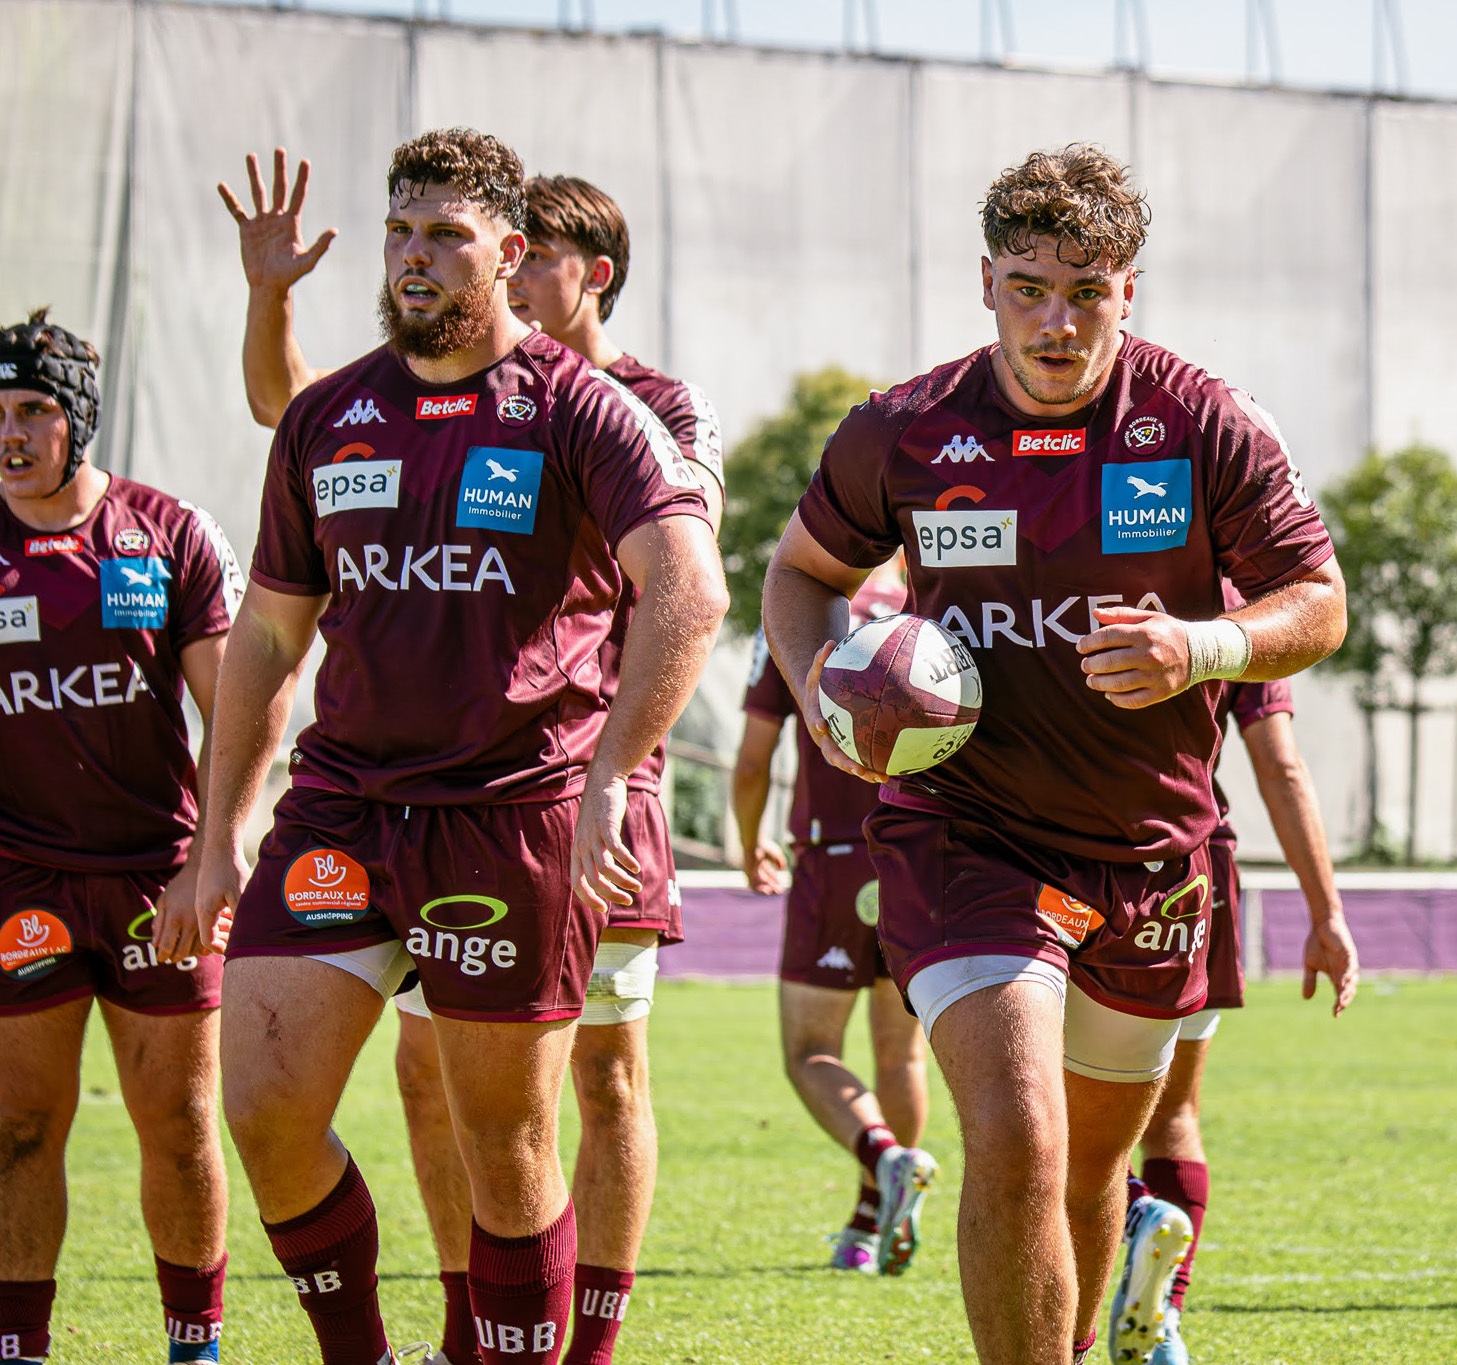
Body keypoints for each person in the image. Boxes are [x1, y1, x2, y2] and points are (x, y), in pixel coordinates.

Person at [759, 144, 1347, 1365]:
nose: (1056, 319)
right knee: (1020, 1138)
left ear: (1129, 291)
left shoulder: (1200, 423)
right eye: (1028, 287)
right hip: (965, 834)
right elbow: (801, 574)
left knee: (1089, 1174)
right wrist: (825, 691)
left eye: (1087, 290)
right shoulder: (904, 431)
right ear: (985, 283)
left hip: (1150, 857)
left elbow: (1318, 600)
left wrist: (1204, 645)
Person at [194, 128, 726, 1365]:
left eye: (447, 234)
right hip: (340, 809)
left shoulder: (582, 410)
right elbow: (270, 640)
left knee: (506, 1147)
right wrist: (221, 833)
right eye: (400, 232)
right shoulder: (329, 418)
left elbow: (687, 592)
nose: (416, 256)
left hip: (513, 812)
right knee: (267, 1110)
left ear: (512, 254)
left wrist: (611, 781)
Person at [0, 309, 242, 1364]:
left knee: (181, 1129)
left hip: (158, 883)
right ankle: (20, 1347)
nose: (9, 433)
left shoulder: (168, 533)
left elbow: (232, 717)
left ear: (79, 420)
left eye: (33, 411)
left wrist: (215, 855)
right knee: (16, 1132)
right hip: (20, 880)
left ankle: (195, 1346)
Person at [1115, 675, 1360, 1364]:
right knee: (1175, 1111)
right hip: (1199, 866)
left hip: (1074, 859)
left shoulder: (1077, 574)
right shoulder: (1240, 609)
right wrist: (1326, 913)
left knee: (1046, 1106)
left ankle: (1134, 1208)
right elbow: (1280, 761)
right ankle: (1164, 1326)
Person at [733, 555, 940, 1274]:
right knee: (901, 1053)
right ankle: (870, 1216)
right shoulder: (934, 597)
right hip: (920, 849)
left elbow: (755, 753)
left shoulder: (804, 605)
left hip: (832, 855)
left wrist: (749, 832)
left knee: (810, 1051)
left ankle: (884, 1164)